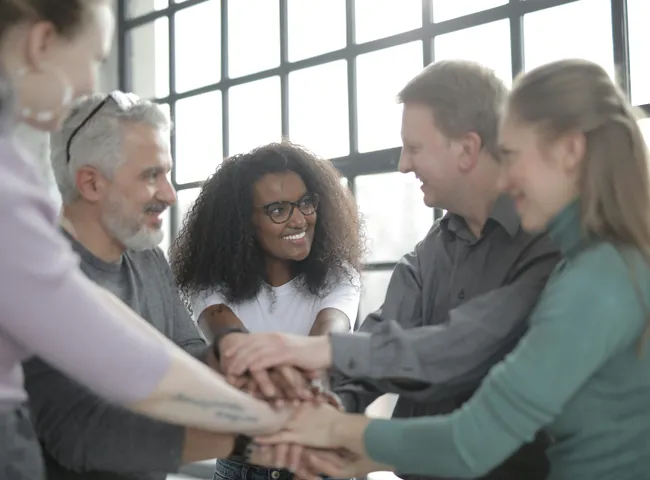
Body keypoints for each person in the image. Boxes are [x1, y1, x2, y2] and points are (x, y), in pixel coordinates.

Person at [251, 58, 650, 480]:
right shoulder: (587, 265)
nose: (505, 176)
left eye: (512, 156)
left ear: (570, 150)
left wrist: (333, 415)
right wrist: (347, 429)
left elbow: (470, 421)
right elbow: (390, 341)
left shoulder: (592, 277)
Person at [0, 1, 289, 479]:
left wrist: (233, 362)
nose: (92, 86)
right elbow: (91, 417)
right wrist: (262, 431)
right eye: (152, 175)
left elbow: (169, 349)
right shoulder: (18, 210)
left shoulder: (145, 259)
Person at [169, 141, 364, 480]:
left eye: (305, 202)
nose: (299, 219)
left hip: (318, 463)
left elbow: (327, 339)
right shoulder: (208, 284)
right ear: (243, 223)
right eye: (278, 209)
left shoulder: (340, 276)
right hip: (243, 466)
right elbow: (235, 347)